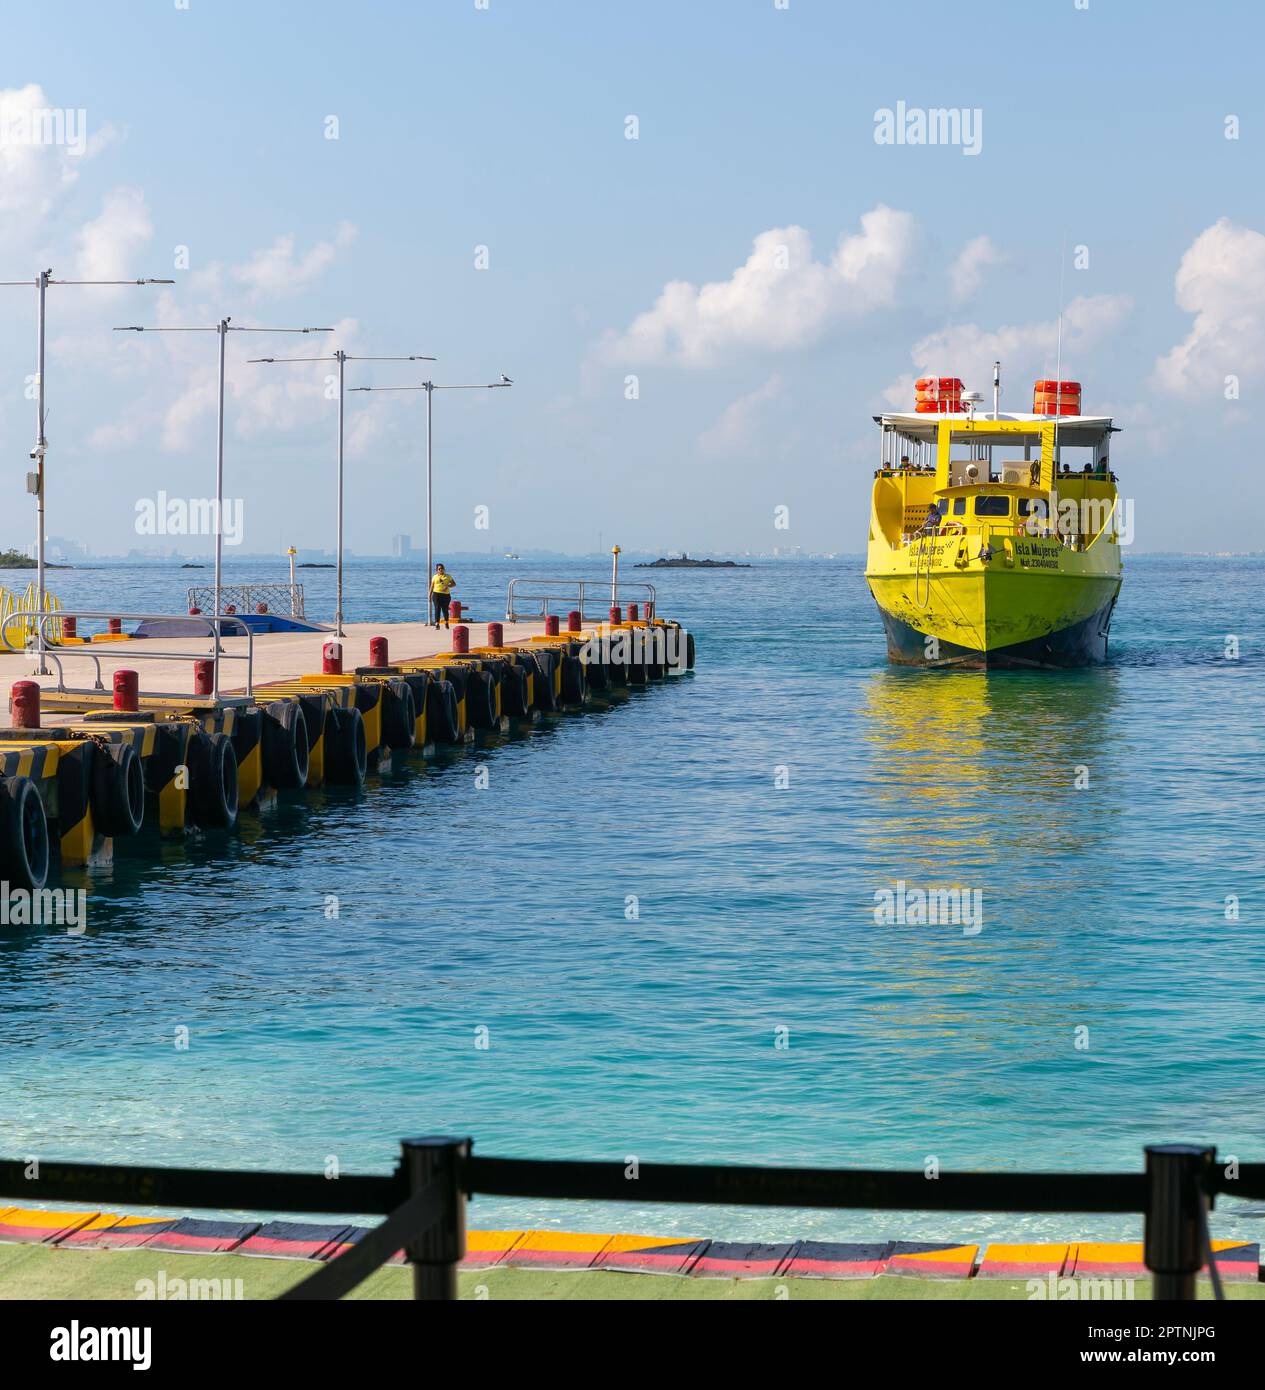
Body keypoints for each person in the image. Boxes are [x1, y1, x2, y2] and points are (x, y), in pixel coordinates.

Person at [429, 563, 456, 627]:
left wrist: (448, 586)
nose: (441, 570)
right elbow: (432, 586)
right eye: (439, 569)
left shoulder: (448, 576)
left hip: (446, 595)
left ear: (444, 569)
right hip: (436, 594)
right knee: (437, 608)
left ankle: (446, 622)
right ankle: (437, 623)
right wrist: (429, 595)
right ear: (437, 570)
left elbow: (454, 584)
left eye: (442, 568)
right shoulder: (435, 576)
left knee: (445, 609)